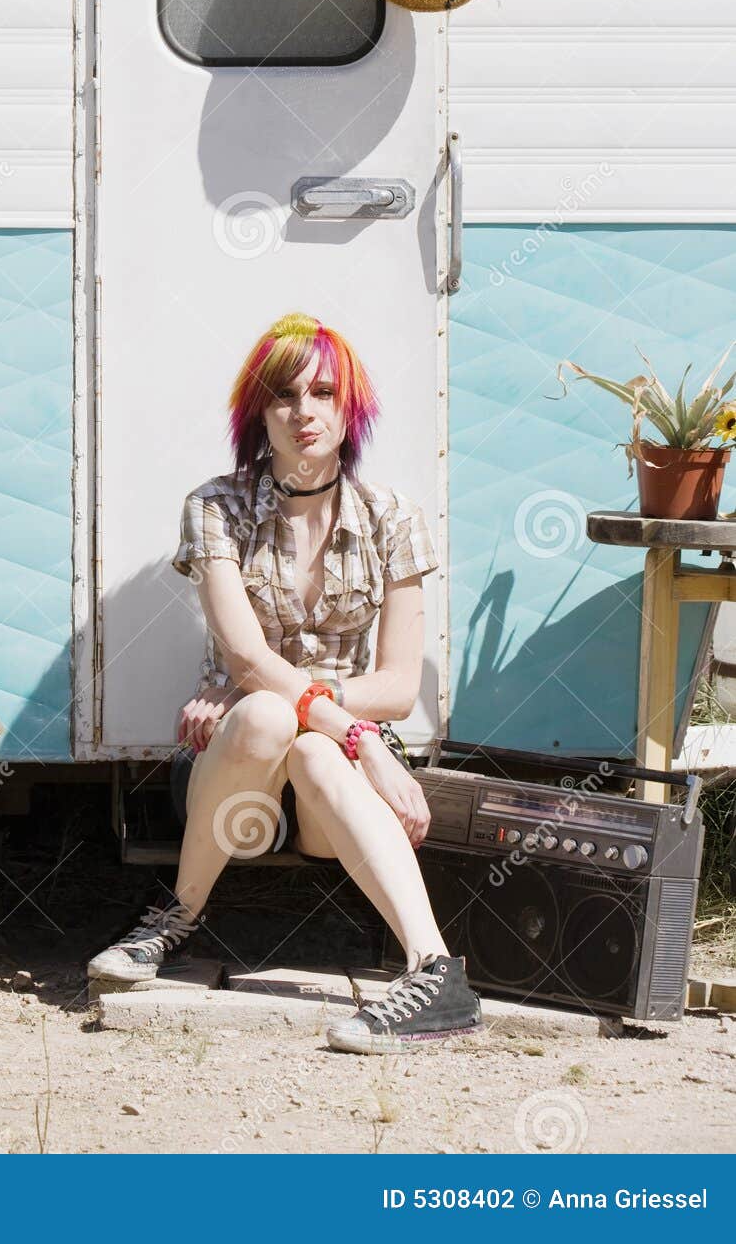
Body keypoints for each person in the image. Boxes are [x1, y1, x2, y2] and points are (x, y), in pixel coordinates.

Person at [87, 311, 482, 1053]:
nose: (305, 412)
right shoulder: (217, 508)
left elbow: (399, 685)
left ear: (350, 408)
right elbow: (245, 659)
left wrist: (326, 721)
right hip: (237, 772)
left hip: (327, 778)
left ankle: (435, 972)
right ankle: (173, 921)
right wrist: (358, 731)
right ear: (257, 413)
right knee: (268, 718)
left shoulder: (392, 516)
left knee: (304, 742)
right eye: (284, 396)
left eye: (325, 393)